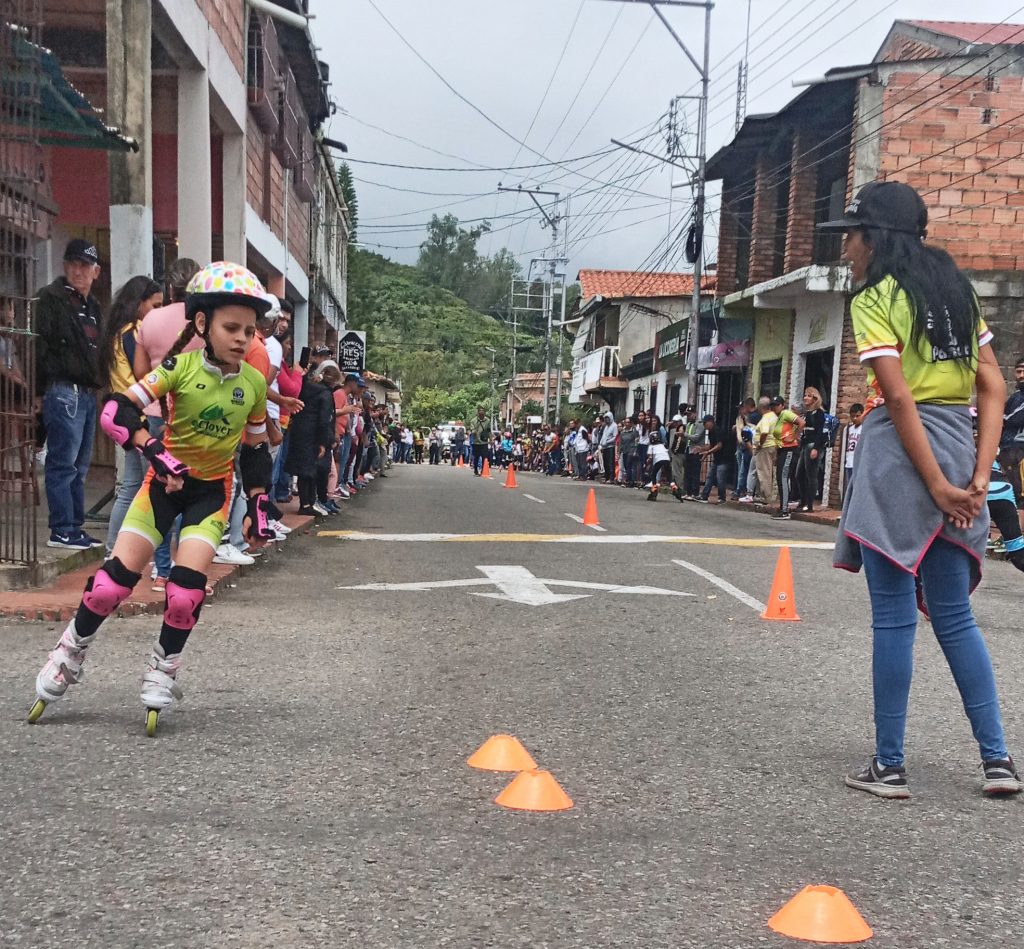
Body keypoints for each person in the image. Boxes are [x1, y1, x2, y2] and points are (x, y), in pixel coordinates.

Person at [823, 180, 1020, 797]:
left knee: (892, 619)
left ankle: (890, 766)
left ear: (874, 238)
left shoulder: (874, 298)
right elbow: (993, 387)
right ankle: (998, 762)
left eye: (851, 235)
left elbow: (899, 395)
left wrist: (933, 484)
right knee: (956, 616)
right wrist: (978, 477)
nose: (845, 248)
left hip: (899, 456)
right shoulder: (956, 292)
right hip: (962, 447)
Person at [27, 262, 279, 735]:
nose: (242, 339)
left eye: (249, 331)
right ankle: (69, 652)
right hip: (162, 487)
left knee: (185, 594)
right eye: (231, 328)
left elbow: (255, 448)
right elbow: (116, 410)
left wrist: (260, 502)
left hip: (210, 494)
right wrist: (154, 452)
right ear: (202, 324)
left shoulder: (252, 384)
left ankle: (163, 668)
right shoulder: (178, 368)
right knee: (110, 587)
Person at [35, 239, 105, 550]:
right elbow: (39, 346)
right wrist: (39, 391)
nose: (78, 271)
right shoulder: (50, 298)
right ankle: (62, 529)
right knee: (63, 463)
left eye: (85, 266)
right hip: (63, 388)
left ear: (95, 272)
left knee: (80, 466)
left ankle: (74, 527)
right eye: (73, 264)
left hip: (86, 392)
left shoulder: (94, 307)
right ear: (65, 266)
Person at [97, 275, 164, 555]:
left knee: (131, 486)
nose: (159, 312)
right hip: (141, 416)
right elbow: (143, 375)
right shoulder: (134, 332)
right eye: (155, 305)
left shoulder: (116, 332)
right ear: (139, 303)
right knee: (154, 487)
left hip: (124, 414)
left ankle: (113, 550)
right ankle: (154, 557)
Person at [997, 356, 1024, 527]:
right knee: (1010, 491)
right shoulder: (1016, 397)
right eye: (1018, 371)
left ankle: (1018, 535)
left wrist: (1000, 419)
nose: (1021, 375)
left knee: (1020, 493)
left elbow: (1012, 418)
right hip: (1007, 449)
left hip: (1020, 450)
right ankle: (1011, 533)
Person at [795, 387, 827, 513]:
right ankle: (803, 501)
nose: (805, 398)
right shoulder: (807, 413)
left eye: (808, 396)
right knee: (799, 474)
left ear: (815, 398)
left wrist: (816, 448)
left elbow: (820, 432)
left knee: (811, 475)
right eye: (805, 395)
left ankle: (809, 505)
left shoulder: (819, 413)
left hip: (812, 446)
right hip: (805, 445)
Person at [771, 397, 801, 520]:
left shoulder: (786, 413)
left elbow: (801, 422)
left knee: (783, 477)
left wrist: (794, 436)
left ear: (782, 405)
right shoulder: (778, 418)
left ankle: (785, 510)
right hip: (782, 450)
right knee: (780, 477)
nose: (775, 407)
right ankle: (783, 506)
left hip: (790, 449)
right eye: (773, 405)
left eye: (777, 405)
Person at [698, 415, 729, 504]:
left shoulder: (718, 430)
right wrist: (702, 449)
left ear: (711, 422)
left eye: (705, 423)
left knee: (720, 479)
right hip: (717, 459)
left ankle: (722, 498)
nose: (704, 425)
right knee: (709, 477)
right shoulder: (710, 432)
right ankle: (704, 496)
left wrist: (708, 452)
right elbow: (711, 445)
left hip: (723, 458)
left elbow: (719, 445)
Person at [842, 403, 864, 501]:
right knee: (849, 487)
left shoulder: (864, 429)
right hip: (849, 462)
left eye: (857, 416)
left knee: (857, 487)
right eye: (852, 416)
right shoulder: (849, 429)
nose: (855, 418)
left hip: (858, 463)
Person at [471, 406, 491, 476]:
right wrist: (474, 431)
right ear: (478, 412)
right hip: (476, 442)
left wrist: (491, 439)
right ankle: (475, 470)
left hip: (484, 442)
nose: (481, 412)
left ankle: (483, 470)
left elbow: (489, 431)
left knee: (484, 457)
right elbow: (472, 430)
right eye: (480, 411)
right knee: (476, 457)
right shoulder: (473, 421)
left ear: (484, 412)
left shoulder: (488, 420)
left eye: (483, 411)